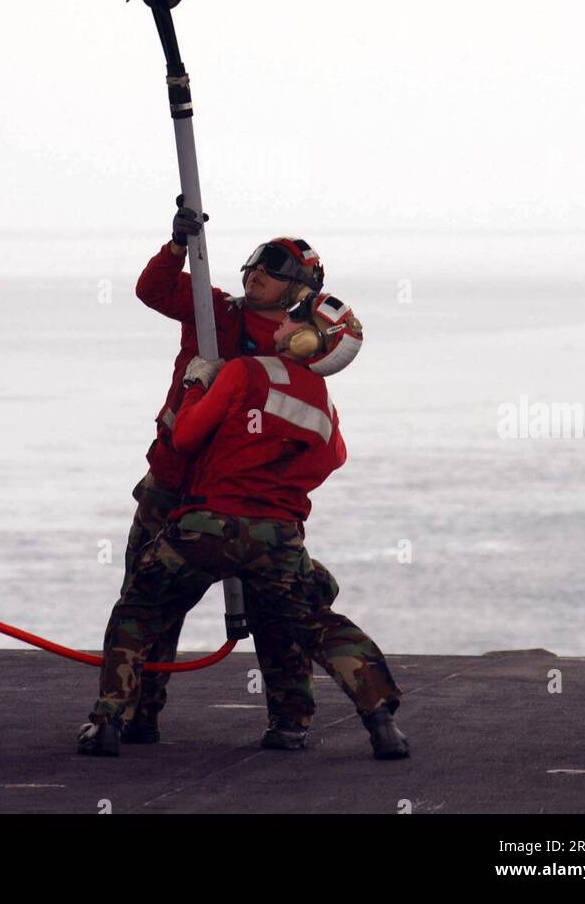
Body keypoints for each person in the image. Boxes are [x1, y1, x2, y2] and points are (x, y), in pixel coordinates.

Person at [78, 290, 409, 761]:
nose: (283, 319)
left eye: (295, 317)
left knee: (138, 612)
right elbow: (331, 461)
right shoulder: (323, 406)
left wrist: (197, 384)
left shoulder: (245, 371)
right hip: (278, 538)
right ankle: (381, 722)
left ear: (305, 339)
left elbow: (187, 437)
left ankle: (110, 722)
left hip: (206, 526)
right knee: (316, 622)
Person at [120, 201, 336, 750]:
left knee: (277, 611)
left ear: (299, 290)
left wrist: (288, 495)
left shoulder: (305, 348)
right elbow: (152, 291)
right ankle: (133, 714)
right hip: (174, 480)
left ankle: (291, 720)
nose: (255, 274)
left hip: (252, 498)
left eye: (272, 271)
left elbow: (318, 436)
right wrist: (175, 245)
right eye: (255, 265)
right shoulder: (212, 309)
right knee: (149, 599)